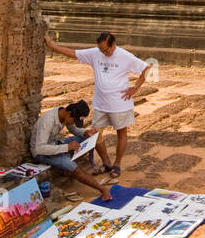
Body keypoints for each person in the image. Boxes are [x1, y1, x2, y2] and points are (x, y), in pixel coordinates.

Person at [46, 32, 149, 180]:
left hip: (120, 103)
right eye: (102, 50)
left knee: (121, 132)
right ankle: (106, 162)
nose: (105, 53)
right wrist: (52, 46)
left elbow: (146, 69)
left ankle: (117, 164)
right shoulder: (95, 53)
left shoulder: (125, 56)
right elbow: (74, 53)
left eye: (107, 50)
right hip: (101, 102)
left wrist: (135, 88)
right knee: (96, 133)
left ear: (114, 45)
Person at [29, 101, 112, 201]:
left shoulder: (64, 114)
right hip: (42, 153)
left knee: (93, 137)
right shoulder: (48, 121)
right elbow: (40, 148)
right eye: (73, 121)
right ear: (68, 114)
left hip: (55, 144)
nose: (72, 124)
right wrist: (67, 147)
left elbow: (74, 130)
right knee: (74, 168)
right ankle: (102, 189)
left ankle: (106, 163)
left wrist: (86, 132)